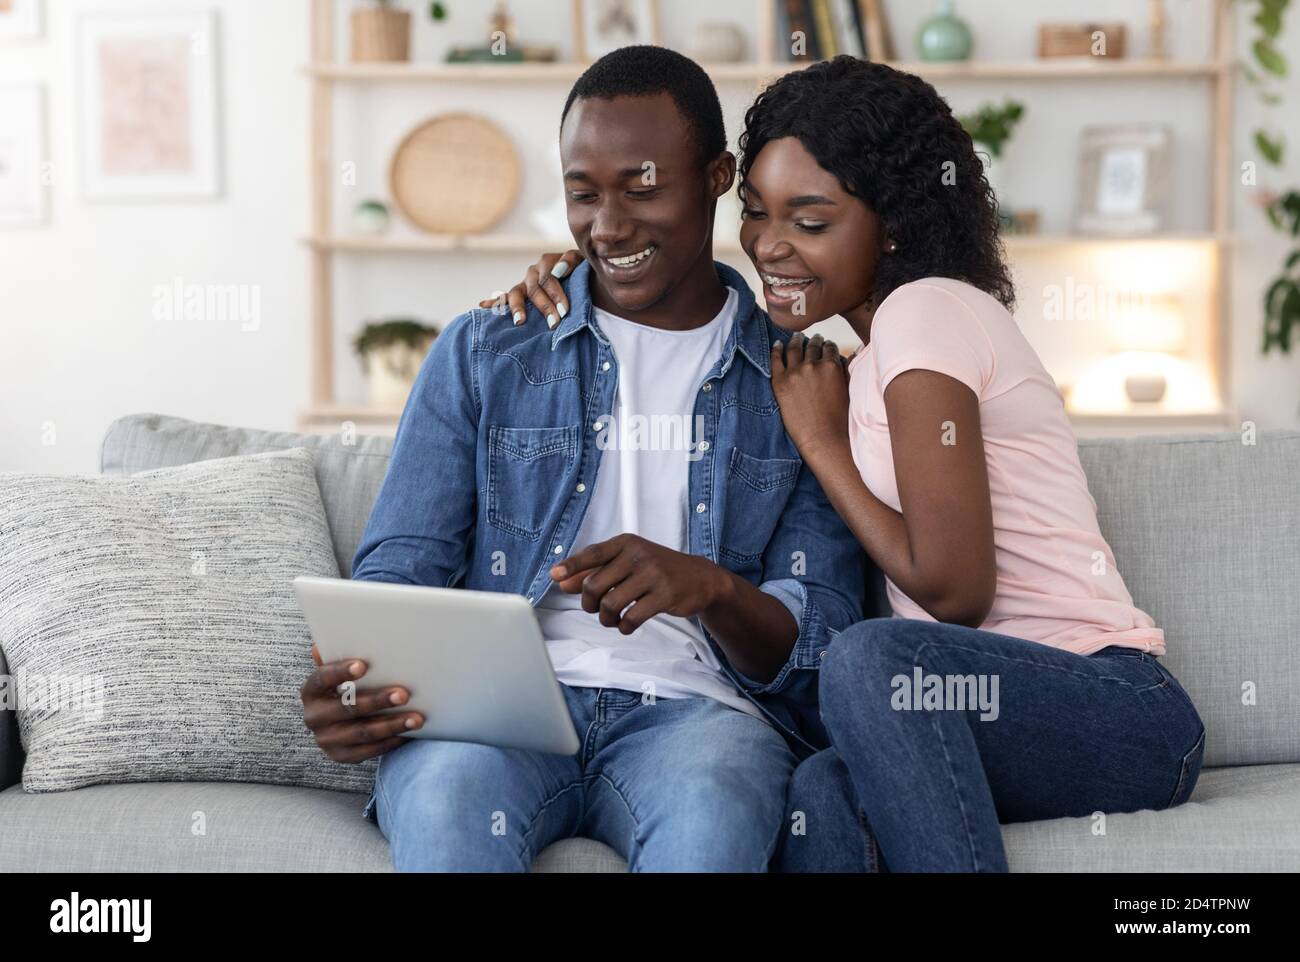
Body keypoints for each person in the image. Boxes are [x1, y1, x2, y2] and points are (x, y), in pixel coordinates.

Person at [499, 56, 1206, 873]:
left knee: (870, 659)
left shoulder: (924, 314)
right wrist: (575, 275)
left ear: (893, 223)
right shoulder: (857, 360)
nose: (770, 246)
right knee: (820, 792)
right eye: (757, 214)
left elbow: (955, 590)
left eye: (812, 220)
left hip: (1112, 707)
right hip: (957, 710)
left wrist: (822, 442)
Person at [298, 45, 864, 872]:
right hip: (498, 716)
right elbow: (401, 567)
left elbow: (817, 641)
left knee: (713, 812)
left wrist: (709, 586)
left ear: (716, 176)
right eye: (582, 192)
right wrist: (360, 681)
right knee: (448, 800)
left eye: (642, 187)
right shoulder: (488, 349)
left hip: (699, 717)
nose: (608, 225)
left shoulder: (802, 380)